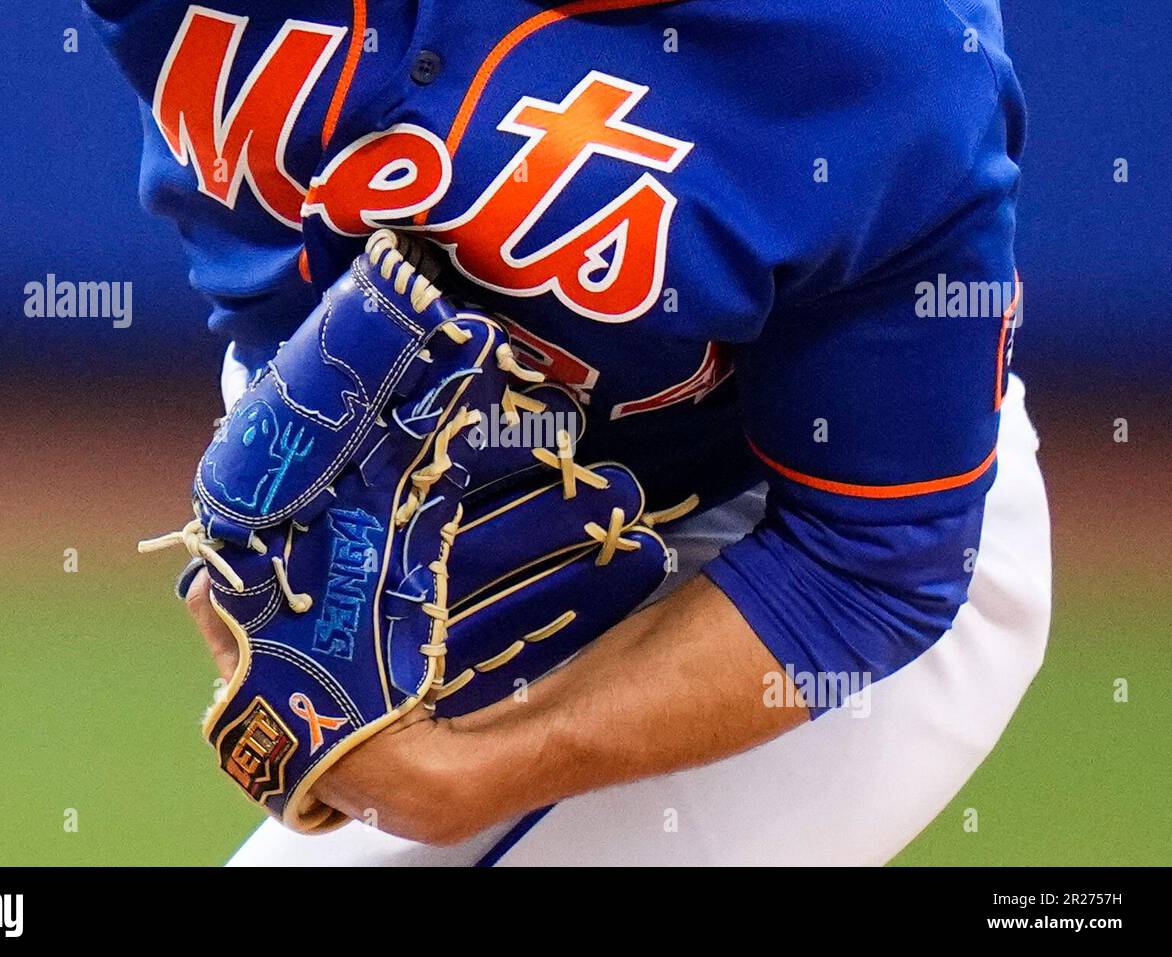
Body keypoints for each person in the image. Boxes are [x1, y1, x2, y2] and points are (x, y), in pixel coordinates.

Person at [89, 0, 1051, 865]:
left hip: (791, 561)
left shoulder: (888, 59)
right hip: (434, 496)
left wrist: (480, 772)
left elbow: (875, 558)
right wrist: (278, 537)